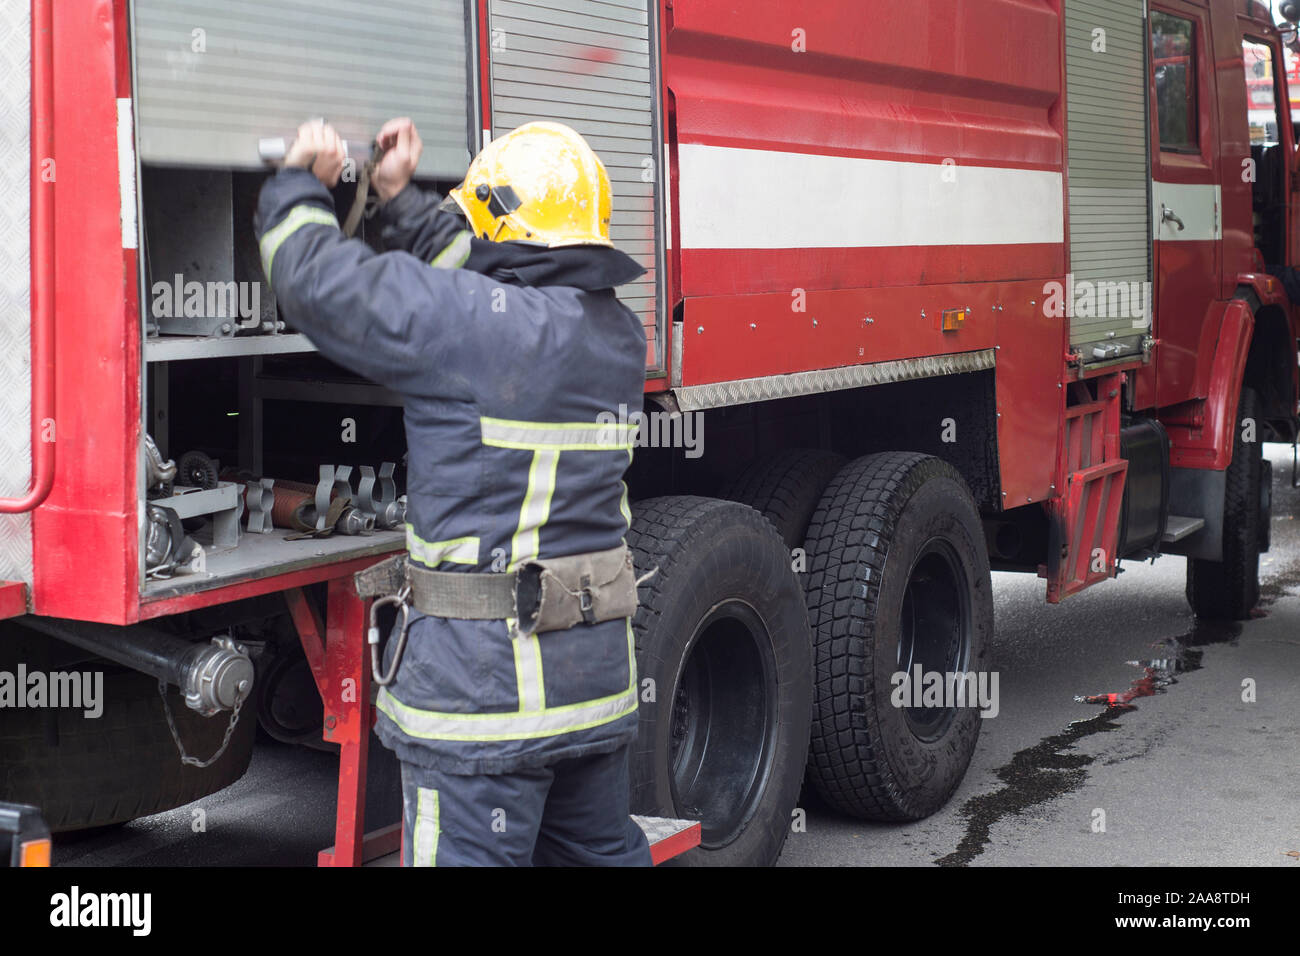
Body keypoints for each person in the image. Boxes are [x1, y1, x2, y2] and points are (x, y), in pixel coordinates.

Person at [254, 117, 651, 866]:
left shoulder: (470, 328)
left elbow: (318, 285)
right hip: (591, 689)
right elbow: (486, 277)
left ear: (501, 226)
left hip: (483, 706)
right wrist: (399, 200)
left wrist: (302, 184)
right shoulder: (618, 336)